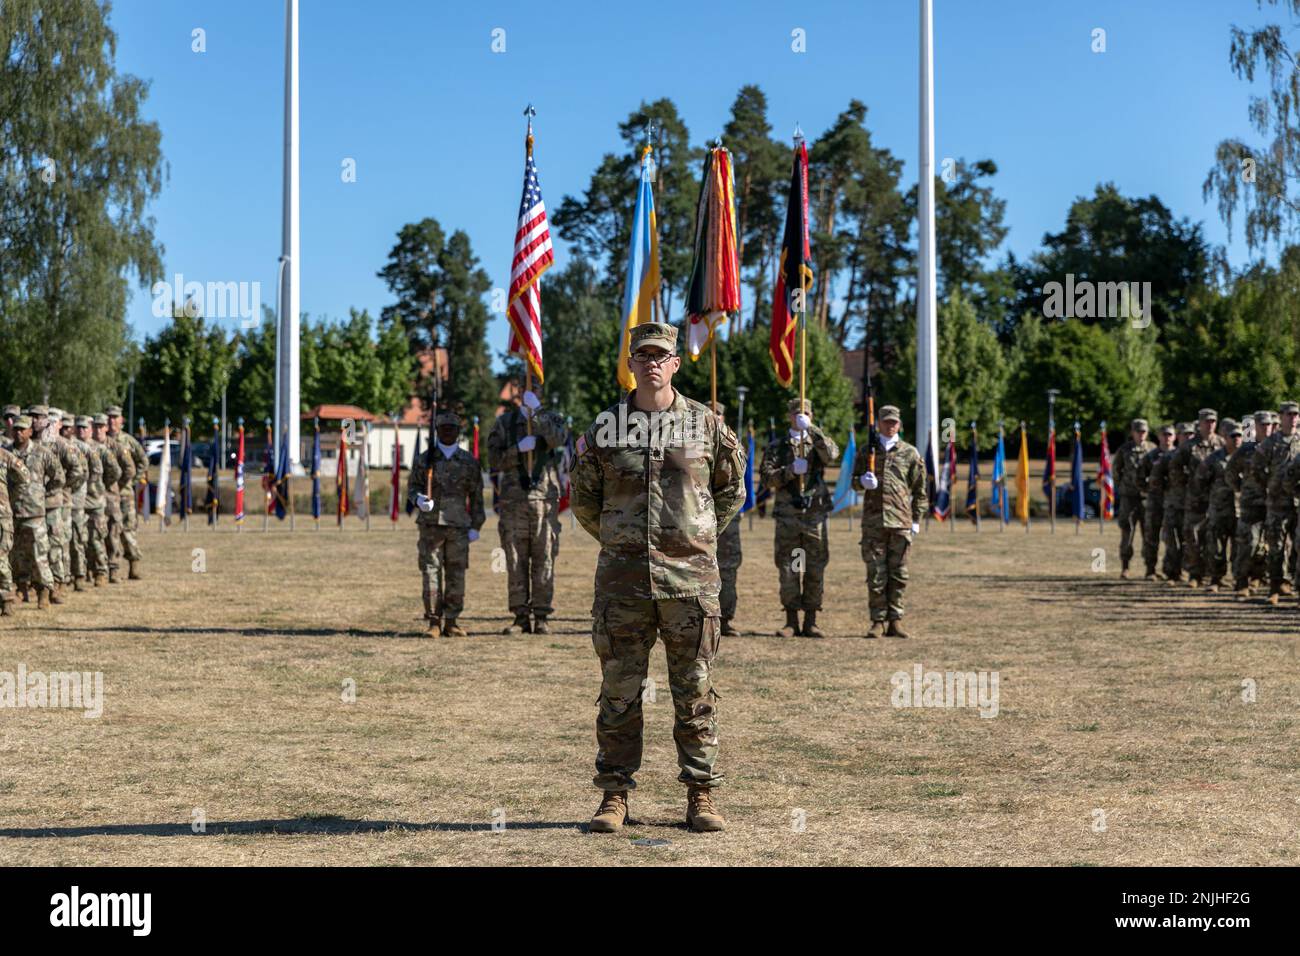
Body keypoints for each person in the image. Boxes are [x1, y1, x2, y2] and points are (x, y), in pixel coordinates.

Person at [570, 322, 745, 835]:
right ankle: (614, 796)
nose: (651, 363)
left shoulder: (707, 425)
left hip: (690, 585)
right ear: (631, 363)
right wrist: (621, 542)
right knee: (620, 691)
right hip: (623, 584)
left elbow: (731, 489)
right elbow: (584, 499)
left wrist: (696, 536)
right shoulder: (606, 427)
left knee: (694, 690)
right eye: (642, 354)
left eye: (660, 355)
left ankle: (701, 794)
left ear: (675, 363)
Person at [486, 382, 569, 635]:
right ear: (518, 391)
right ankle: (520, 617)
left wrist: (539, 413)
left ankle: (542, 616)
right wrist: (516, 450)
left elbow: (558, 438)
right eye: (527, 387)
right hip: (514, 502)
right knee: (514, 559)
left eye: (536, 388)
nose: (531, 391)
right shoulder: (505, 423)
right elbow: (493, 460)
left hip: (544, 501)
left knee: (544, 558)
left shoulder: (552, 418)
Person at [759, 398, 839, 638]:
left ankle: (811, 620)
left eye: (805, 413)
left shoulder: (817, 442)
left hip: (814, 515)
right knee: (790, 567)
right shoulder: (778, 446)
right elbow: (766, 478)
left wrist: (812, 431)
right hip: (788, 516)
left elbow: (832, 455)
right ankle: (791, 620)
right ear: (789, 417)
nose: (800, 417)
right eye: (796, 413)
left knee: (815, 567)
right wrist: (790, 471)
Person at [407, 411, 485, 638]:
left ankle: (452, 620)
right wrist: (419, 500)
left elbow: (477, 496)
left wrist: (476, 526)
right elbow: (412, 488)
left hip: (459, 526)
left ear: (459, 432)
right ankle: (433, 621)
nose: (448, 431)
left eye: (452, 427)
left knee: (456, 573)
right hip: (431, 526)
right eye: (444, 428)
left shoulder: (469, 461)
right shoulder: (425, 459)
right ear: (437, 431)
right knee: (431, 572)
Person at [852, 405, 927, 638]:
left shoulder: (910, 453)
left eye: (894, 422)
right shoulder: (867, 451)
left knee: (899, 574)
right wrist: (862, 482)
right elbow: (853, 482)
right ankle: (877, 621)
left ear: (900, 425)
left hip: (900, 522)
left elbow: (921, 490)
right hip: (874, 523)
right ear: (879, 424)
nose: (890, 425)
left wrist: (916, 520)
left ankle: (896, 620)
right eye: (886, 421)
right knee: (875, 574)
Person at [9, 414, 61, 609]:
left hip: (35, 513)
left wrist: (43, 494)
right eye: (16, 429)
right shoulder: (6, 452)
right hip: (12, 513)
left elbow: (58, 477)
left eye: (23, 429)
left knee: (39, 555)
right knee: (16, 556)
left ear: (30, 431)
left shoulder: (42, 453)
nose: (19, 433)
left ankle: (44, 592)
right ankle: (21, 589)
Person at [1254, 400, 1300, 605]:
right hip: (1277, 503)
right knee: (1277, 546)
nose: (1292, 418)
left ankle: (1289, 583)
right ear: (1280, 417)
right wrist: (1271, 487)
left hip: (1297, 503)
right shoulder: (1270, 443)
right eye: (1288, 414)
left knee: (1296, 547)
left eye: (1295, 414)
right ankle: (1274, 587)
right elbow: (1256, 471)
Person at [1172, 409, 1224, 588]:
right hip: (1195, 500)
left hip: (1217, 500)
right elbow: (1175, 468)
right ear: (1200, 423)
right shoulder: (1189, 446)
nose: (1210, 424)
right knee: (1193, 537)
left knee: (1216, 538)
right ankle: (1195, 574)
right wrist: (1186, 485)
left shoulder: (1222, 443)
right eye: (1206, 421)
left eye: (1213, 421)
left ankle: (1216, 576)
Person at [1226, 411, 1274, 597]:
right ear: (1255, 427)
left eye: (1268, 424)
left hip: (1273, 503)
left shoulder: (1275, 446)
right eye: (1262, 425)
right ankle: (1241, 581)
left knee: (1269, 545)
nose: (1266, 428)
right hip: (1251, 504)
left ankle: (1258, 578)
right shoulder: (1246, 450)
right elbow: (1230, 471)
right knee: (1249, 543)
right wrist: (1241, 488)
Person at [710, 401, 743, 636]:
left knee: (728, 569)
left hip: (726, 518)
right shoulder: (688, 442)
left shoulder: (732, 442)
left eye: (718, 413)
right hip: (696, 518)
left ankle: (726, 618)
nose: (713, 416)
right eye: (708, 412)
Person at [1197, 420, 1241, 592]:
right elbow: (1200, 482)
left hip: (1240, 510)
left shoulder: (1248, 457)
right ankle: (1216, 579)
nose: (1237, 439)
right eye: (1233, 436)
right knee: (1216, 547)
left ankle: (1239, 579)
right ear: (1225, 438)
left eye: (1239, 436)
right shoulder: (1214, 458)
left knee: (1240, 548)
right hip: (1219, 510)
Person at [106, 404, 146, 580]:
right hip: (106, 494)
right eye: (109, 417)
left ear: (121, 420)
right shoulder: (101, 441)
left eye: (115, 417)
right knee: (108, 531)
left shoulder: (128, 441)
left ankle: (133, 564)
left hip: (125, 494)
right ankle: (111, 568)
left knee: (127, 530)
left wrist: (131, 482)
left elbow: (143, 461)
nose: (112, 420)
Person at [1112, 419, 1154, 579]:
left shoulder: (1152, 449)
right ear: (1133, 432)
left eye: (1144, 431)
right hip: (1129, 499)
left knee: (1149, 534)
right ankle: (1125, 567)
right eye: (1138, 431)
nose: (1141, 434)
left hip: (1147, 499)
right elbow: (1116, 472)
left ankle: (1150, 569)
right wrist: (1124, 488)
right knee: (1127, 533)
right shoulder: (1124, 450)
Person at [1137, 424, 1174, 579]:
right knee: (1151, 536)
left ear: (1174, 437)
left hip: (1173, 502)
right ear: (1158, 437)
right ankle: (1150, 569)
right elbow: (1139, 477)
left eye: (1170, 435)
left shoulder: (1179, 454)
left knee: (1172, 537)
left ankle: (1171, 569)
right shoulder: (1150, 456)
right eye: (1164, 435)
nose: (1167, 438)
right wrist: (1149, 490)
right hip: (1154, 502)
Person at [0, 441, 31, 616]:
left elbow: (25, 477)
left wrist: (10, 498)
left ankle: (6, 600)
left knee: (1, 559)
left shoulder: (4, 456)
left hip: (1, 516)